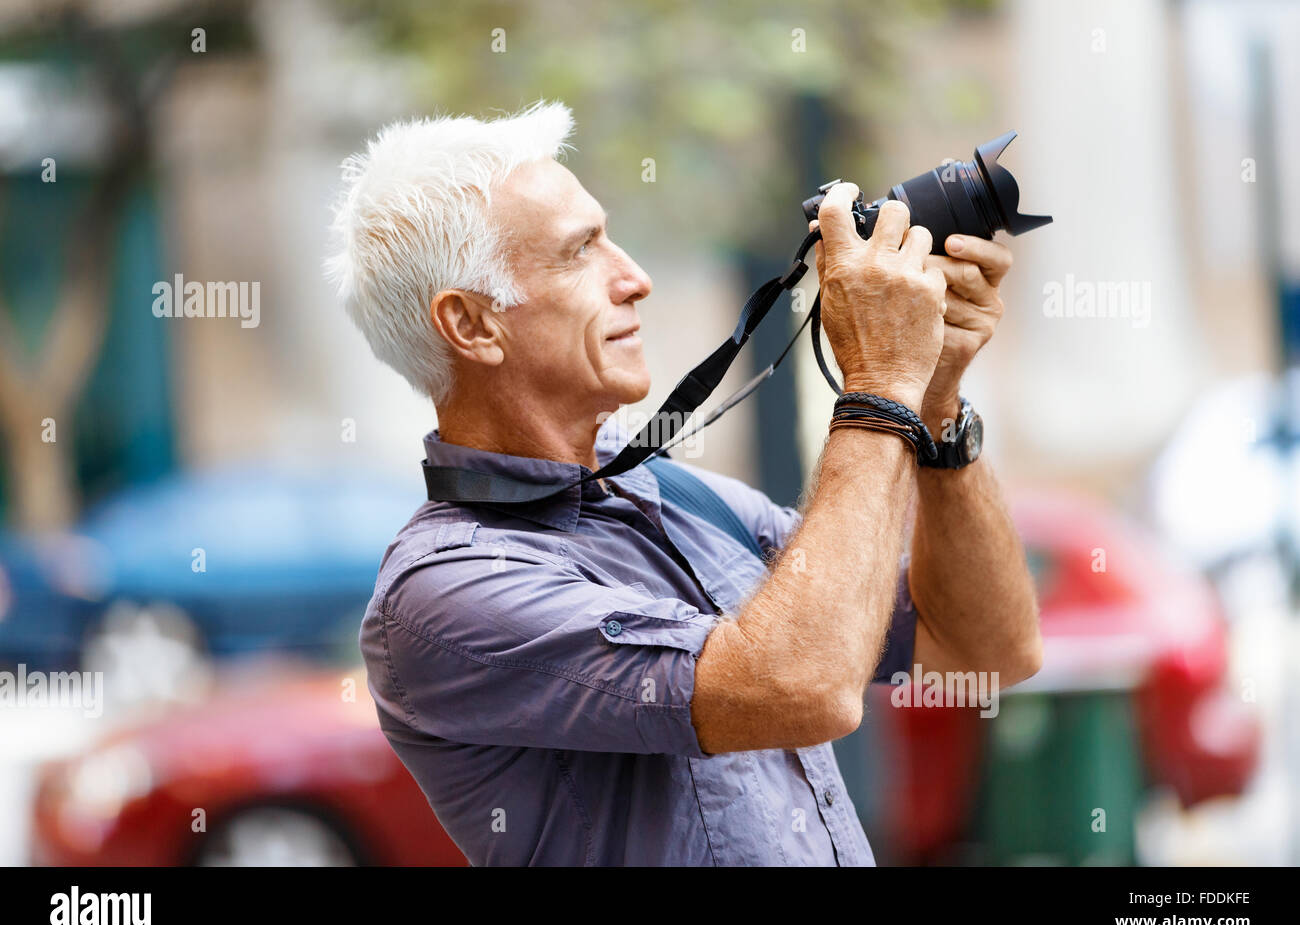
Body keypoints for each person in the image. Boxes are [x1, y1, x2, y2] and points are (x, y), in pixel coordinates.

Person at [326, 101, 1041, 865]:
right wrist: (880, 382)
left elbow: (983, 651)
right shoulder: (447, 593)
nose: (635, 279)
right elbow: (806, 686)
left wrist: (935, 405)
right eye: (581, 252)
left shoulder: (680, 497)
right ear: (472, 325)